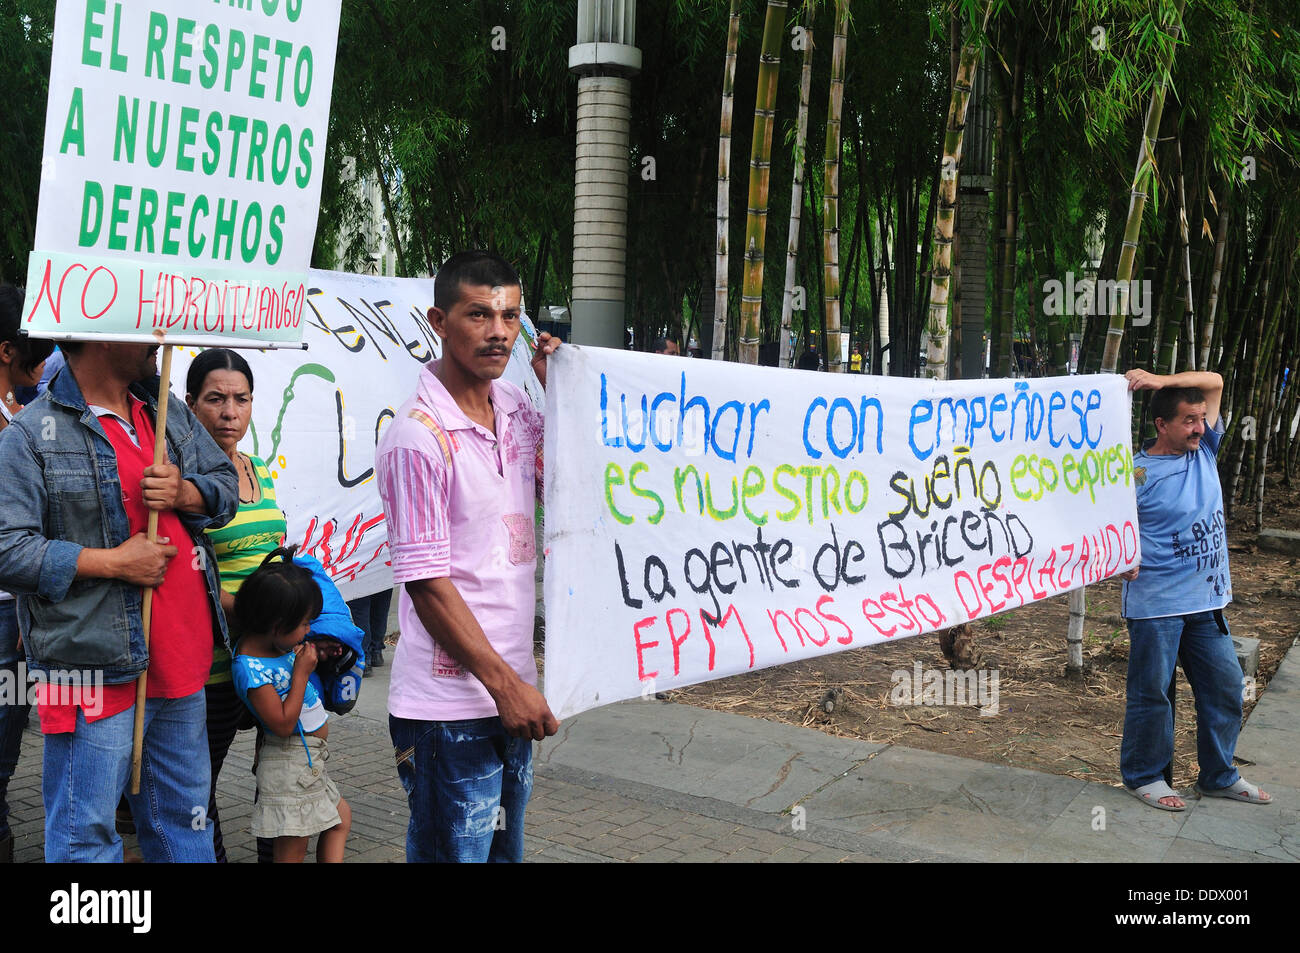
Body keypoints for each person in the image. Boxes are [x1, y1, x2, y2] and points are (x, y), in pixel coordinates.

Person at [0, 336, 237, 862]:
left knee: (186, 830)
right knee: (85, 839)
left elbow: (224, 485)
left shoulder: (165, 409)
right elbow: (7, 549)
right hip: (87, 672)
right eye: (145, 323)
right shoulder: (28, 435)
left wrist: (185, 493)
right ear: (102, 331)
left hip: (180, 667)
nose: (161, 335)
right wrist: (113, 563)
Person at [376, 250, 560, 863]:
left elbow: (568, 480)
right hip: (448, 711)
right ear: (439, 320)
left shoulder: (516, 410)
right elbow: (427, 585)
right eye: (478, 314)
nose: (498, 331)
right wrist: (506, 687)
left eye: (509, 315)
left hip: (510, 696)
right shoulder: (417, 437)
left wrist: (562, 386)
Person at [1119, 368, 1271, 810]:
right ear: (1161, 425)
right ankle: (1146, 777)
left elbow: (1217, 380)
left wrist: (1160, 380)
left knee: (1226, 685)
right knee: (1153, 693)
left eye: (1201, 418)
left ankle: (1219, 775)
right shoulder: (1134, 472)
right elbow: (1106, 530)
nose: (1199, 427)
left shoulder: (1203, 450)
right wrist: (1117, 561)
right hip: (1156, 604)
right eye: (1188, 419)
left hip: (1206, 601)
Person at [185, 347, 288, 862]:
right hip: (215, 664)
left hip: (274, 659)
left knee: (282, 778)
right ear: (188, 404)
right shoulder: (181, 482)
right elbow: (185, 571)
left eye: (241, 399)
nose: (230, 412)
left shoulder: (258, 468)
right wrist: (251, 617)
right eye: (216, 399)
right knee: (196, 785)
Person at [231, 548, 351, 862]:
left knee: (340, 820)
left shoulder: (278, 645)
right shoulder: (251, 668)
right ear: (277, 625)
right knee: (292, 851)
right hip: (288, 763)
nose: (308, 630)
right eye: (304, 623)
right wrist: (301, 674)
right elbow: (282, 725)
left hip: (308, 762)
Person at [0, 285, 54, 863]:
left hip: (12, 602)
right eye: (35, 355)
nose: (42, 366)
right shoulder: (13, 430)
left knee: (9, 725)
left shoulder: (17, 416)